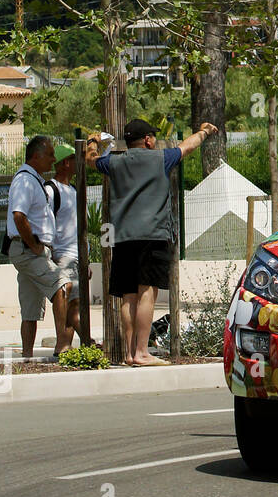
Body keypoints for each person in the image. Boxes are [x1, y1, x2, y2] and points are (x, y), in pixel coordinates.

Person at [90, 119, 217, 366]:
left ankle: (128, 353)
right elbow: (187, 147)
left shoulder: (113, 162)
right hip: (153, 235)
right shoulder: (160, 158)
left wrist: (94, 142)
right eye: (153, 137)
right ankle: (142, 352)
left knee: (128, 295)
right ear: (147, 140)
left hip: (123, 236)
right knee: (147, 290)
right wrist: (204, 131)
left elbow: (90, 159)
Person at [7, 136, 71, 359]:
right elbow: (19, 216)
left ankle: (26, 356)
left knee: (31, 309)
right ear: (36, 156)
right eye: (50, 154)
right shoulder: (25, 180)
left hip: (30, 250)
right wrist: (34, 245)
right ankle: (62, 347)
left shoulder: (34, 180)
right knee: (63, 287)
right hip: (28, 250)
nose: (54, 160)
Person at [48, 143, 89, 347]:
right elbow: (46, 223)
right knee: (70, 304)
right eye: (75, 160)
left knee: (75, 307)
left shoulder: (74, 190)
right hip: (63, 256)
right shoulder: (51, 190)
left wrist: (86, 260)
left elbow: (81, 227)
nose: (78, 164)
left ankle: (68, 347)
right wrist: (51, 254)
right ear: (65, 163)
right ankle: (77, 344)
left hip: (77, 256)